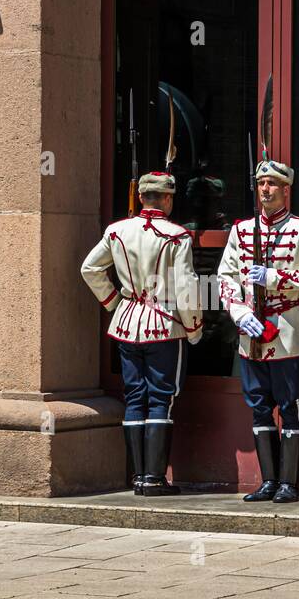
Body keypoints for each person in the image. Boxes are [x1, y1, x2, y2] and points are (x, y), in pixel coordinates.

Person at [81, 170, 202, 496]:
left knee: (135, 397)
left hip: (126, 322)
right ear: (167, 199)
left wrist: (114, 301)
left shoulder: (117, 231)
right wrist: (194, 327)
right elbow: (187, 287)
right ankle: (154, 478)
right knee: (162, 399)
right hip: (164, 324)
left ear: (141, 197)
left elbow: (89, 268)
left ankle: (139, 478)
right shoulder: (177, 236)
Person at [218, 159, 299, 504]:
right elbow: (225, 276)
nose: (264, 189)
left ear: (285, 190)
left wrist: (276, 278)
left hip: (285, 330)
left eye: (271, 184)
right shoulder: (241, 230)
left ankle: (288, 483)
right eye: (260, 183)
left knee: (290, 403)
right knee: (259, 406)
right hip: (250, 331)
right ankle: (268, 481)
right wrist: (237, 311)